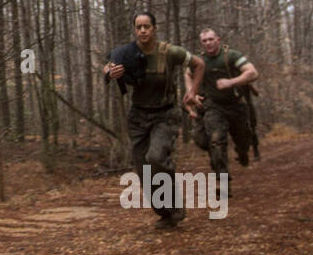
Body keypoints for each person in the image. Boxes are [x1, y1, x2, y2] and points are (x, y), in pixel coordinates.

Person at [103, 12, 204, 228]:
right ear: (134, 30)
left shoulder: (169, 52)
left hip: (165, 114)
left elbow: (199, 64)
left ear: (154, 28)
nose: (142, 31)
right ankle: (166, 213)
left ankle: (175, 205)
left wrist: (193, 92)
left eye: (146, 26)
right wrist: (111, 72)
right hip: (138, 117)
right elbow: (108, 66)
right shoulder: (127, 53)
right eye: (138, 27)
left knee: (156, 157)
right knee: (144, 170)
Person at [195, 29, 259, 178]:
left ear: (218, 39)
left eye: (211, 39)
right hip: (214, 106)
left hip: (236, 104)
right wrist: (193, 93)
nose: (208, 43)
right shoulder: (199, 60)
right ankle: (223, 179)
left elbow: (253, 73)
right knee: (216, 140)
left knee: (244, 139)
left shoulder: (231, 56)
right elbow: (188, 73)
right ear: (201, 43)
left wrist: (231, 82)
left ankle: (242, 152)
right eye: (204, 41)